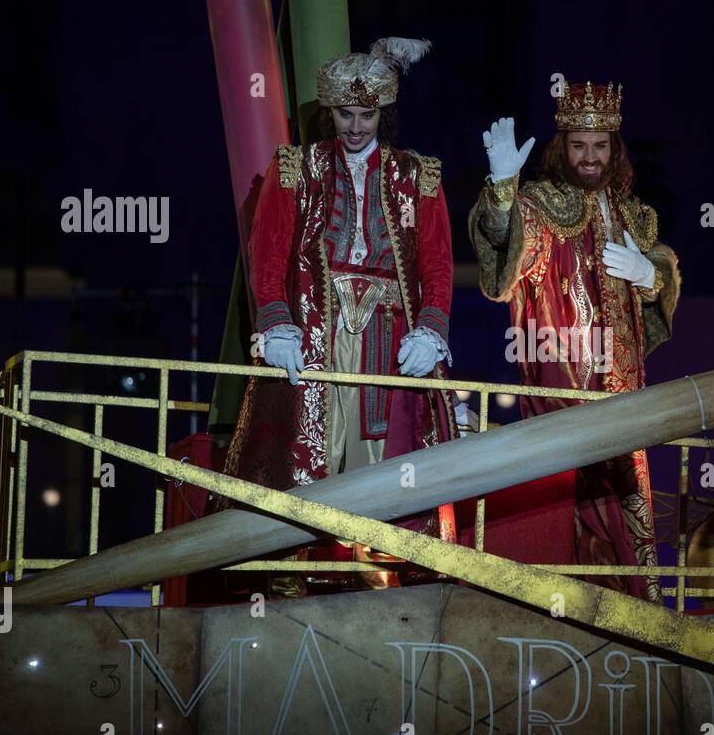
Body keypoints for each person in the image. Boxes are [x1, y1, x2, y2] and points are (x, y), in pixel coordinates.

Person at [222, 38, 457, 593]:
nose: (355, 126)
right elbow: (270, 251)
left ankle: (383, 568)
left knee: (385, 452)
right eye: (345, 114)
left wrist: (432, 328)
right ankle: (295, 568)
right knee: (310, 449)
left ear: (383, 113)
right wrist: (275, 322)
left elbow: (439, 261)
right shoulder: (295, 168)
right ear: (330, 112)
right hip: (313, 328)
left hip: (392, 334)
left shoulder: (416, 174)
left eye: (367, 114)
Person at [467, 80, 681, 601]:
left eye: (601, 145)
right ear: (563, 148)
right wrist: (500, 189)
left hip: (627, 396)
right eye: (580, 145)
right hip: (567, 394)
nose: (591, 157)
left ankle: (637, 617)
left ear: (615, 148)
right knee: (573, 519)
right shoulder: (542, 205)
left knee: (629, 521)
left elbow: (662, 277)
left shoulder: (635, 215)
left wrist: (649, 274)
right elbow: (506, 247)